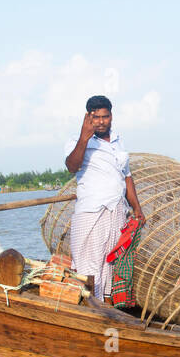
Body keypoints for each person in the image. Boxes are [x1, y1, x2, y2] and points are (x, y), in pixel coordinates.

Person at [64, 95, 145, 303]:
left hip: (116, 209)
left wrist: (137, 208)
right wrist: (84, 137)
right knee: (88, 262)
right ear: (88, 118)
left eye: (105, 116)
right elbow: (72, 167)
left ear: (111, 116)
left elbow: (126, 176)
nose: (101, 121)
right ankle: (90, 305)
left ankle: (107, 307)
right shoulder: (77, 142)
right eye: (96, 117)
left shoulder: (118, 141)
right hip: (92, 210)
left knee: (110, 262)